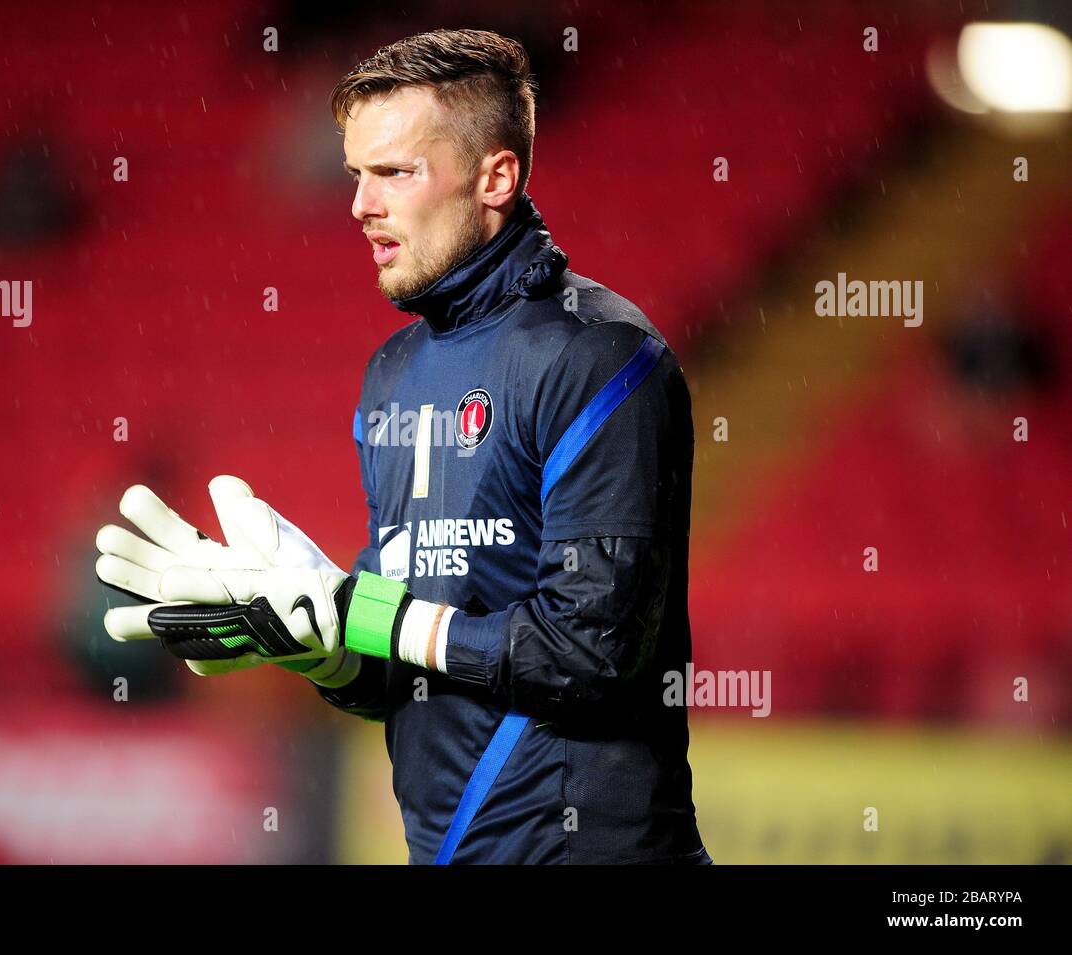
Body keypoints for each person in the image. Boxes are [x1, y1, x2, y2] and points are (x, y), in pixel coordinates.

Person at [97, 28, 710, 865]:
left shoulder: (599, 357)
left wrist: (365, 610)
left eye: (395, 172)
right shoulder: (392, 376)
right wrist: (323, 648)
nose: (360, 204)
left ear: (496, 176)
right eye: (356, 173)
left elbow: (591, 655)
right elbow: (408, 673)